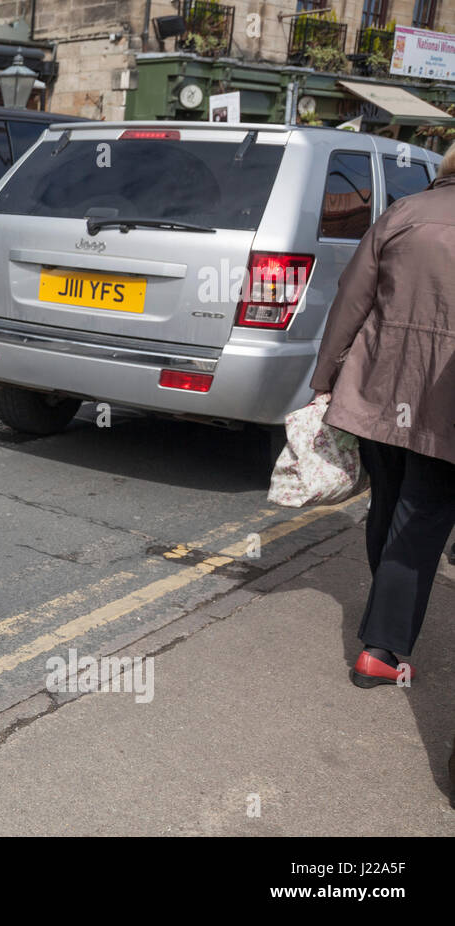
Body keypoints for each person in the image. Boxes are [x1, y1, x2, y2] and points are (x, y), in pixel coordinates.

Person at [310, 141, 455, 689]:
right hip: (444, 400)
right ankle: (383, 649)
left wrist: (324, 379)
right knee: (421, 516)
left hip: (378, 387)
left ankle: (385, 614)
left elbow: (351, 298)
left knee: (390, 503)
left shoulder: (402, 213)